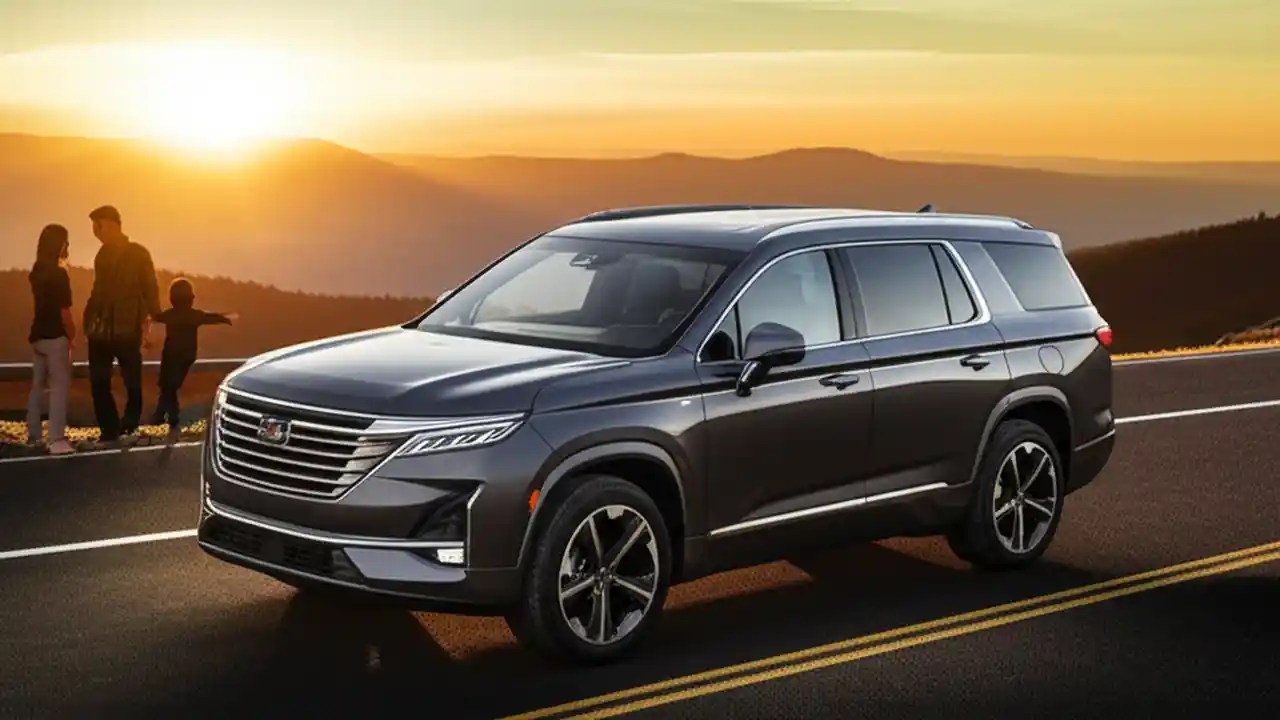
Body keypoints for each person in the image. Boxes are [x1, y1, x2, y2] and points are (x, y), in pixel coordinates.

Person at [82, 205, 161, 443]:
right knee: (98, 381)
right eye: (94, 226)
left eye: (99, 224)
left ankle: (128, 424)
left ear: (114, 224)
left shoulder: (138, 253)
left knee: (132, 380)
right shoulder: (102, 254)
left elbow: (150, 288)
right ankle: (110, 429)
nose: (96, 231)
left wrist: (154, 321)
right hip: (100, 329)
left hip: (126, 328)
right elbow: (98, 290)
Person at [149, 278, 235, 430]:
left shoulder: (171, 315)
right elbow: (210, 317)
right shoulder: (193, 315)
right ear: (190, 298)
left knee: (167, 385)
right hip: (187, 356)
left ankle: (163, 414)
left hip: (171, 354)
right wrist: (224, 319)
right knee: (170, 385)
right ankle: (167, 416)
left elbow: (155, 316)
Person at [27, 224, 77, 455]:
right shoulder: (59, 274)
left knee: (37, 385)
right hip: (56, 336)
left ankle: (34, 434)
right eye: (66, 241)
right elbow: (64, 310)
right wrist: (72, 334)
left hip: (38, 335)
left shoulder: (37, 270)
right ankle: (56, 438)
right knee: (59, 387)